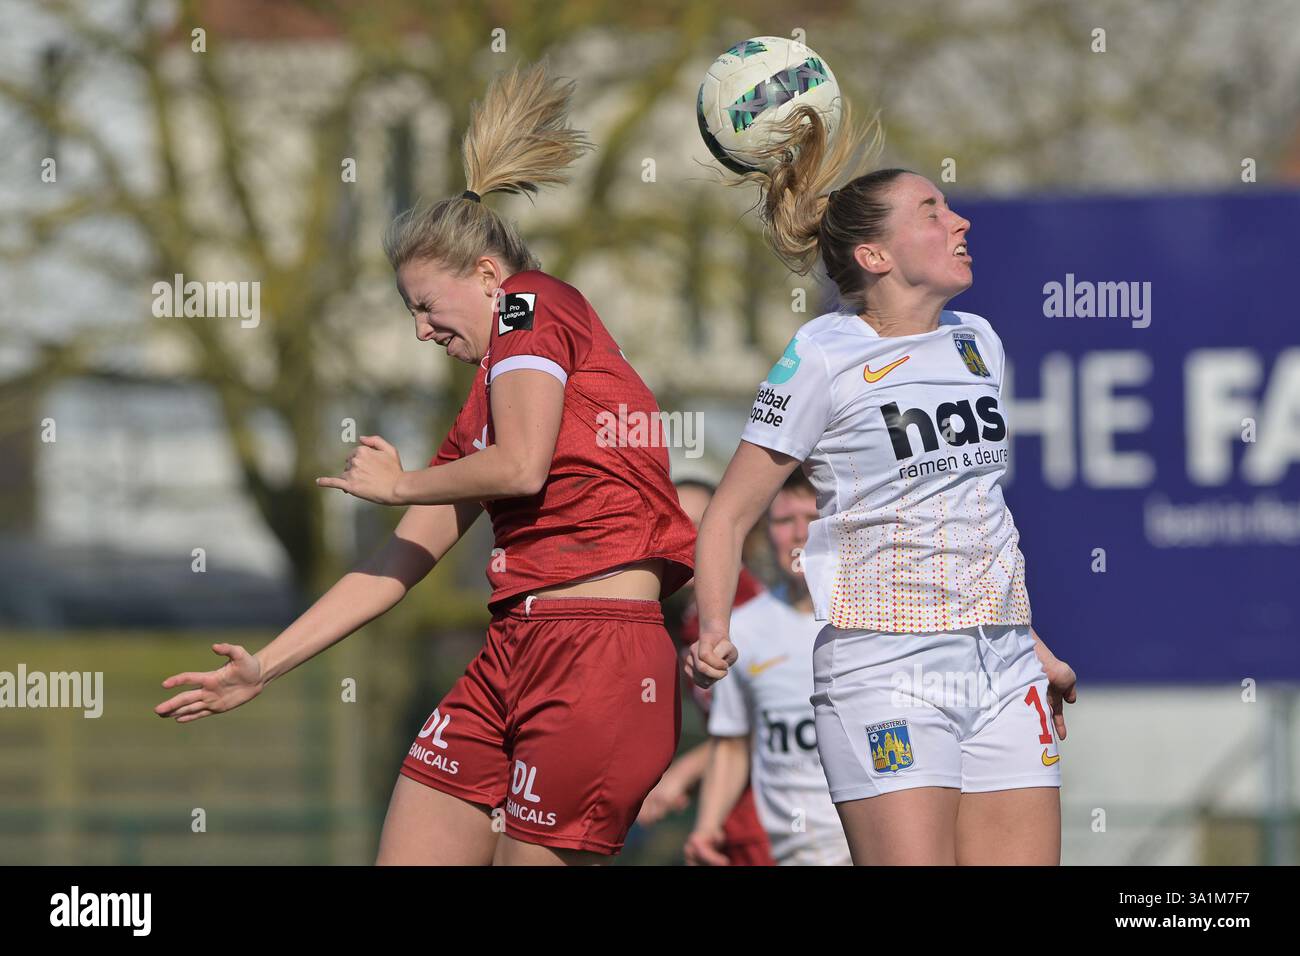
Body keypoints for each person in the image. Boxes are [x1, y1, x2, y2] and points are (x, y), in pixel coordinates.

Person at [155, 61, 696, 866]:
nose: (420, 331)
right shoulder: (482, 406)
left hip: (599, 655)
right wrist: (266, 666)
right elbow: (395, 563)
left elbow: (521, 469)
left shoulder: (532, 303)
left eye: (425, 307)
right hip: (512, 650)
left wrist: (400, 482)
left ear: (485, 276)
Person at [687, 104, 1077, 865]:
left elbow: (973, 520)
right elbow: (728, 515)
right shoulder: (822, 354)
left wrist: (1035, 646)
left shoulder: (981, 343)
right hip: (886, 669)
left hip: (1003, 666)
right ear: (875, 255)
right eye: (932, 210)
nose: (959, 220)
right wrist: (712, 629)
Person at [686, 471, 852, 866]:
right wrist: (706, 827)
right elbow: (732, 741)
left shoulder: (879, 619)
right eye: (783, 521)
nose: (798, 534)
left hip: (868, 845)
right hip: (786, 852)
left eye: (812, 518)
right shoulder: (741, 626)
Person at [638, 479, 775, 866]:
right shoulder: (689, 617)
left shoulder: (749, 610)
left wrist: (682, 773)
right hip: (730, 824)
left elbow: (771, 721)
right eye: (671, 524)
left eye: (702, 525)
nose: (687, 540)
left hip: (774, 824)